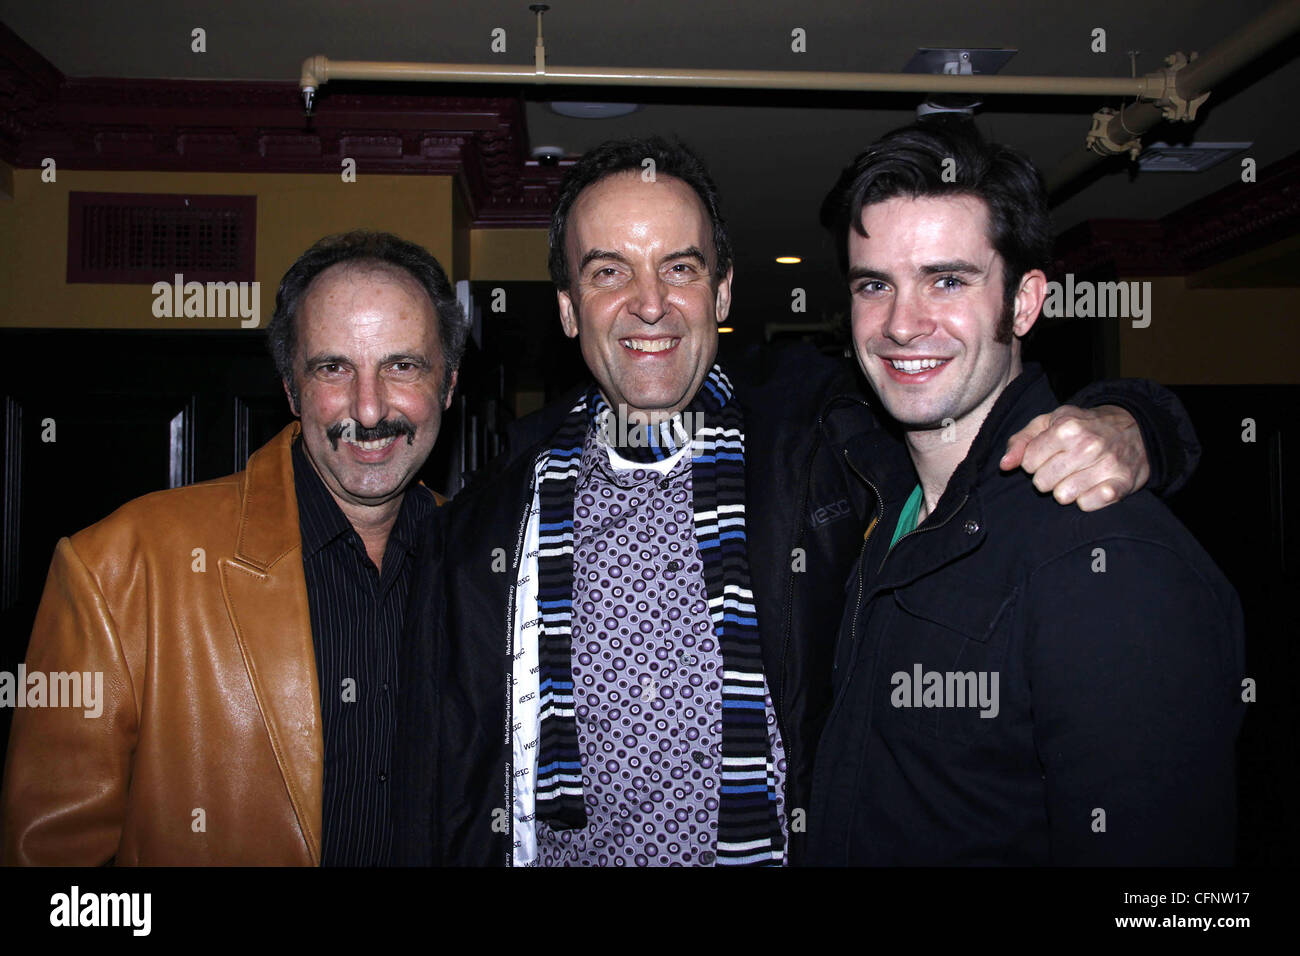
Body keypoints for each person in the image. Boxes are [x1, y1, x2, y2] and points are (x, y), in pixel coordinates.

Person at [395, 136, 1197, 867]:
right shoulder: (500, 504)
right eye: (609, 272)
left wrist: (1134, 423)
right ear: (568, 307)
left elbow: (972, 414)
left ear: (724, 292)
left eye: (680, 267)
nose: (649, 304)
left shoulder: (814, 439)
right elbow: (451, 761)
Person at [805, 118, 1244, 865]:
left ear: (1025, 302)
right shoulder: (876, 485)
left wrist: (1139, 423)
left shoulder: (1107, 561)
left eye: (947, 280)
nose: (903, 324)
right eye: (875, 285)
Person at [1, 230, 465, 865]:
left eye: (402, 365)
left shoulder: (492, 566)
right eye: (333, 367)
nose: (368, 405)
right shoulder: (118, 568)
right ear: (291, 389)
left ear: (449, 384)